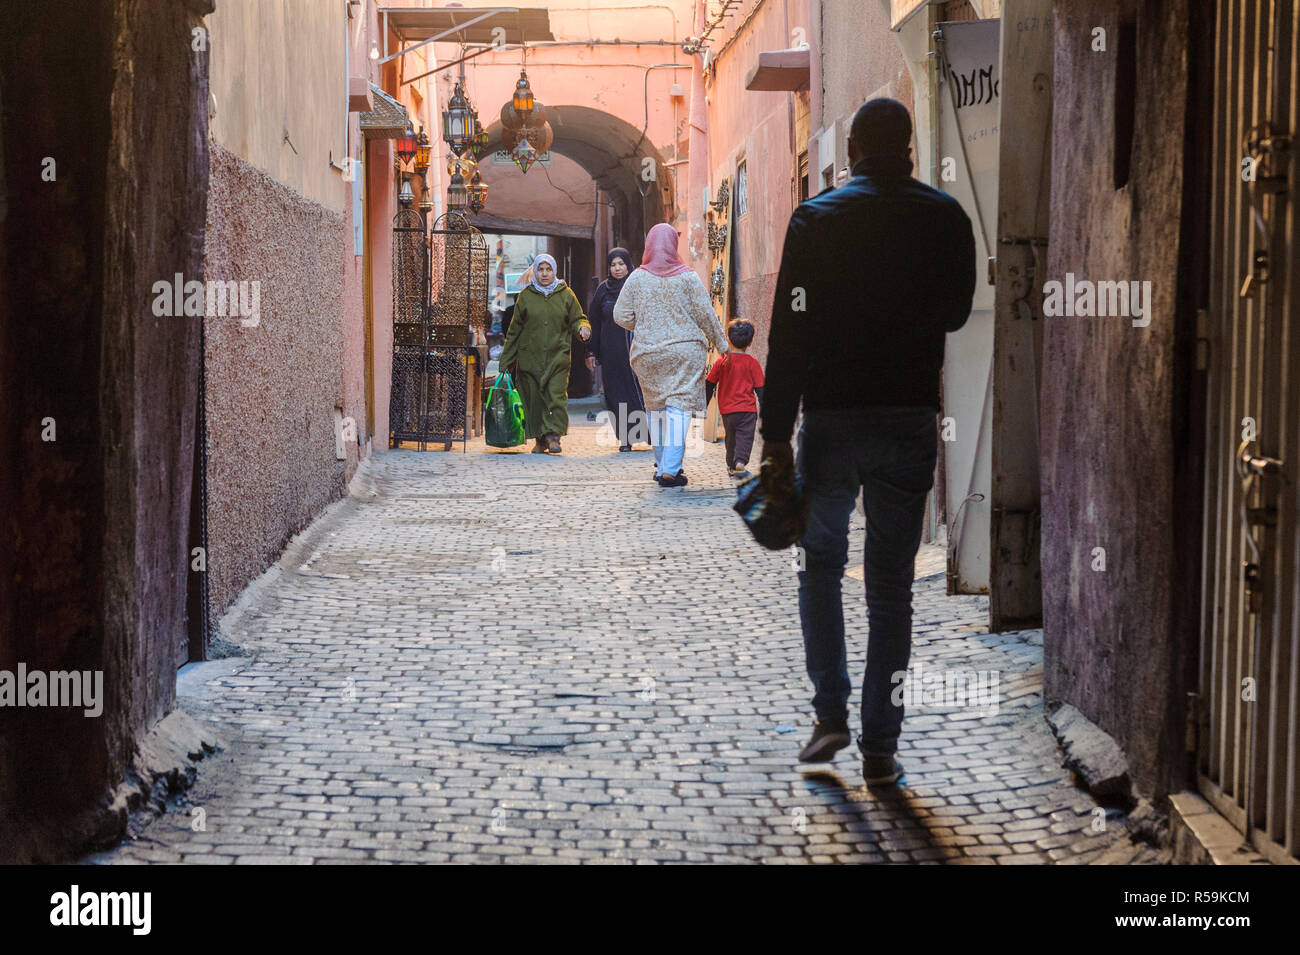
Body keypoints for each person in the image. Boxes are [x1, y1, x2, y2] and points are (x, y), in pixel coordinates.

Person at [760, 97, 976, 785]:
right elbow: (957, 311)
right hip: (908, 418)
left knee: (819, 567)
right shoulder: (945, 217)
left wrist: (773, 435)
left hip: (830, 421)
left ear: (850, 150)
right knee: (891, 588)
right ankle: (881, 748)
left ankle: (830, 715)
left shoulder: (814, 219)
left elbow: (788, 333)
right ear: (910, 148)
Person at [614, 223, 728, 487]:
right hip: (684, 353)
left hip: (647, 354)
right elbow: (706, 315)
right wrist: (722, 345)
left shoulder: (637, 278)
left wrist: (643, 326)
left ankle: (663, 465)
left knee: (656, 409)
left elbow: (620, 316)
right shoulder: (687, 277)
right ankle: (670, 469)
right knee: (678, 409)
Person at [499, 254, 592, 454]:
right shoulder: (526, 296)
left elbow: (578, 318)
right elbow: (514, 331)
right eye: (540, 269)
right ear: (535, 272)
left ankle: (553, 436)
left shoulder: (566, 294)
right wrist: (505, 362)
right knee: (534, 400)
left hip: (557, 357)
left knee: (556, 397)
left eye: (548, 269)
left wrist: (583, 327)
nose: (544, 274)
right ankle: (540, 440)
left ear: (554, 271)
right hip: (529, 360)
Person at [589, 247, 648, 451]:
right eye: (613, 265)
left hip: (636, 349)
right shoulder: (603, 291)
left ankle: (650, 434)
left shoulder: (638, 286)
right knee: (616, 394)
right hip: (611, 352)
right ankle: (626, 438)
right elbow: (594, 322)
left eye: (621, 264)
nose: (617, 268)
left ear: (628, 264)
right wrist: (592, 352)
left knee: (640, 391)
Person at [705, 319, 764, 480]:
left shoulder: (721, 361)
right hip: (747, 410)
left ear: (728, 340)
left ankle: (732, 466)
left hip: (727, 411)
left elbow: (709, 384)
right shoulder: (753, 363)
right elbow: (761, 389)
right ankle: (740, 464)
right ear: (750, 341)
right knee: (745, 438)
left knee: (730, 439)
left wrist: (704, 405)